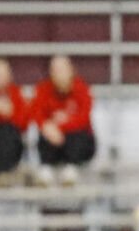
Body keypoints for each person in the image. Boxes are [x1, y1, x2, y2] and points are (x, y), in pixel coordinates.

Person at [30, 53, 96, 185]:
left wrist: (60, 125)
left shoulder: (82, 89)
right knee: (45, 133)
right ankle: (46, 170)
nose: (58, 74)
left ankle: (71, 169)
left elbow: (83, 118)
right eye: (55, 70)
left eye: (62, 69)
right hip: (53, 145)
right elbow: (35, 112)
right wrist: (46, 126)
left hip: (78, 145)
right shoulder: (43, 89)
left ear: (71, 70)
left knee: (77, 135)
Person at [0, 60, 29, 182]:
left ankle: (4, 173)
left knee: (8, 132)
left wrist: (9, 115)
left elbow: (23, 123)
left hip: (10, 146)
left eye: (3, 74)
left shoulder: (16, 94)